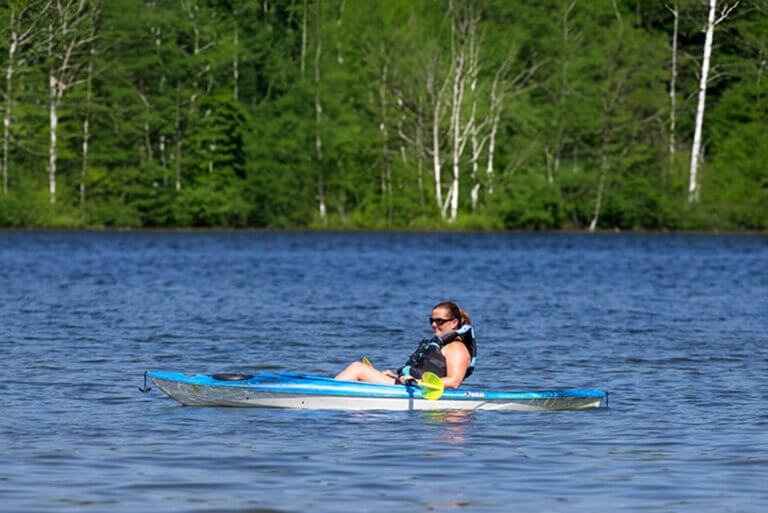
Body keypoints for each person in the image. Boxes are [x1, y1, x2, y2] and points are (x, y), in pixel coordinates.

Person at [334, 301, 476, 390]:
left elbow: (454, 381)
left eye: (439, 321)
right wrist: (396, 377)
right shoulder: (443, 345)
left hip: (423, 391)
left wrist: (416, 381)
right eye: (431, 320)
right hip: (407, 386)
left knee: (358, 368)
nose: (433, 325)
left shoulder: (457, 349)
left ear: (454, 323)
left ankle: (326, 391)